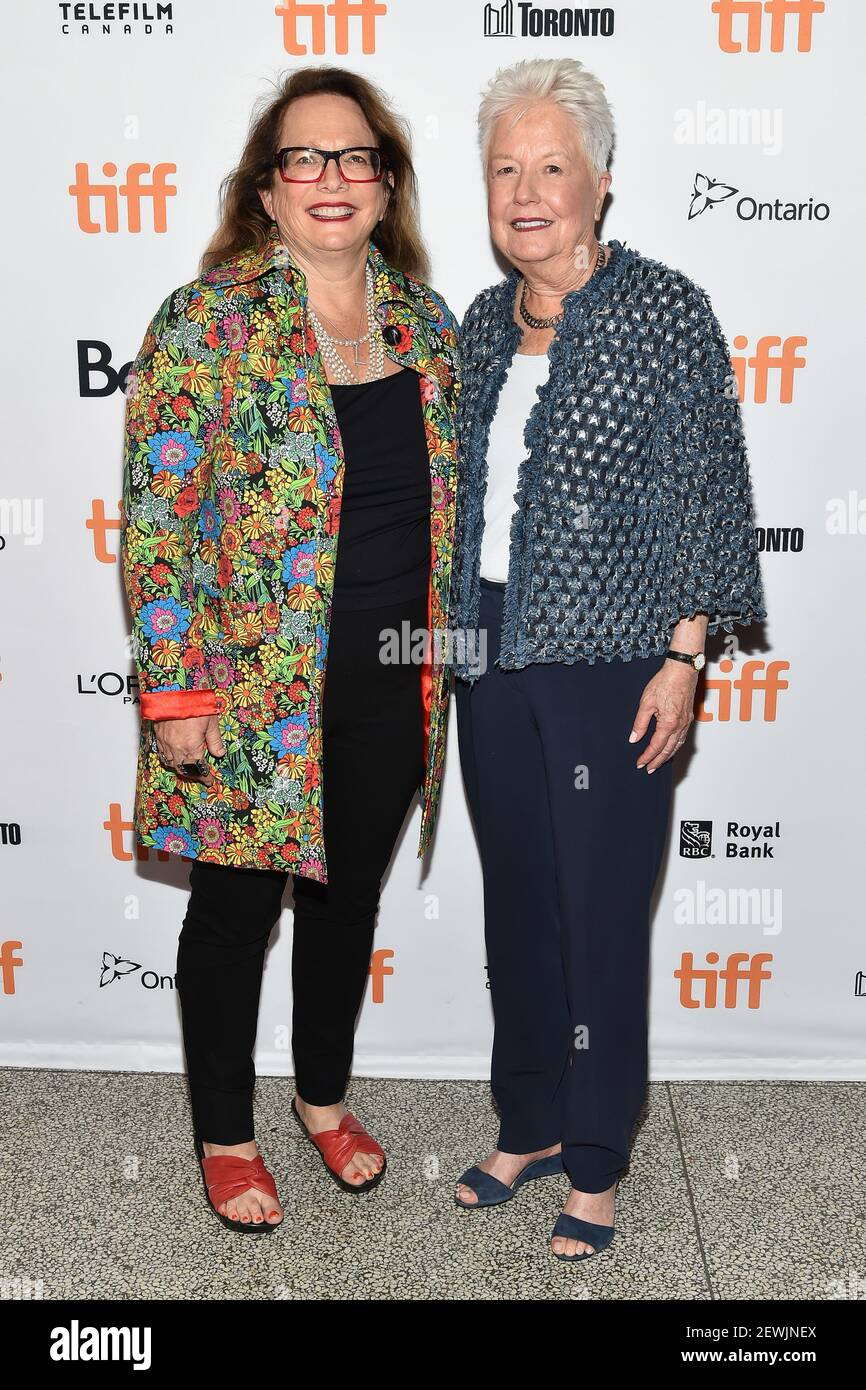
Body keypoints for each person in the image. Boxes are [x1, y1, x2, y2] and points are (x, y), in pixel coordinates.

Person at [120, 67, 459, 1232]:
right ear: (266, 189)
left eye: (355, 156)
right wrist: (175, 693)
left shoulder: (425, 324)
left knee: (343, 900)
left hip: (393, 674)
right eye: (303, 159)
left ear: (385, 183)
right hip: (250, 686)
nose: (331, 178)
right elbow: (159, 520)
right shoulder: (205, 319)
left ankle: (321, 1097)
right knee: (231, 914)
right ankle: (224, 1132)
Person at [449, 57, 766, 1262]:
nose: (525, 192)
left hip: (612, 662)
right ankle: (524, 1119)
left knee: (596, 913)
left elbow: (706, 491)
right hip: (487, 651)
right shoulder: (480, 324)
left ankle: (594, 1157)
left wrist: (685, 655)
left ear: (600, 184)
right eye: (504, 170)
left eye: (550, 168)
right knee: (518, 904)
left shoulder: (663, 311)